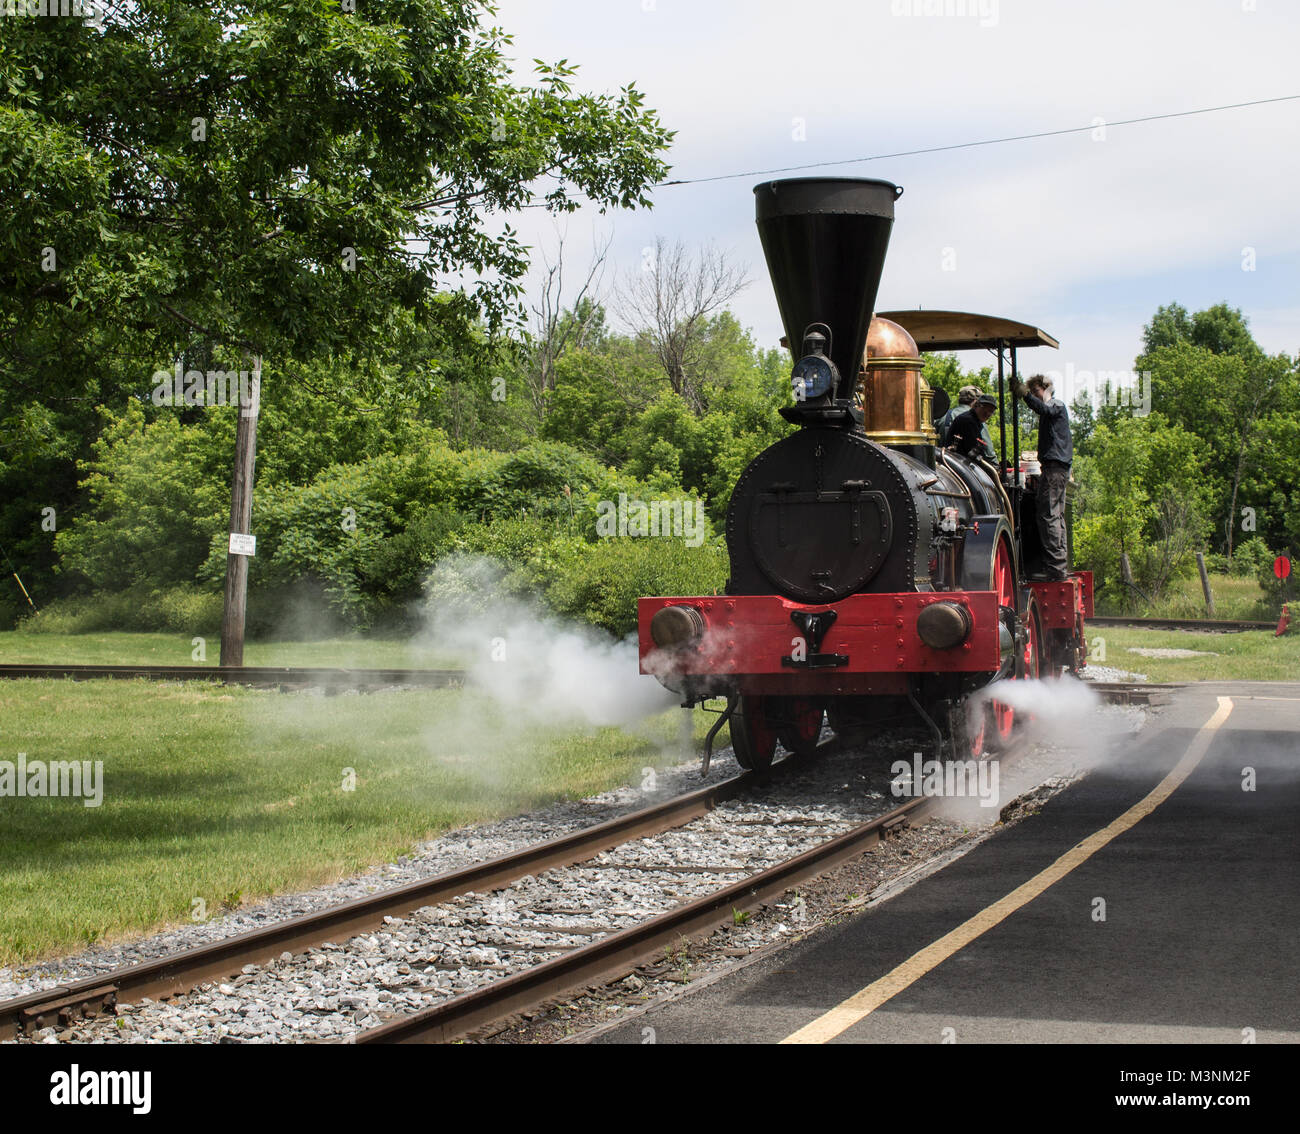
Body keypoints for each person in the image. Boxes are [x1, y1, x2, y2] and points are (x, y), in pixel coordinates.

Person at [1012, 373, 1072, 580]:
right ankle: (1057, 566)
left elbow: (1043, 407)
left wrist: (1025, 396)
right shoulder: (1053, 410)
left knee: (1048, 515)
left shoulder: (1055, 405)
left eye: (1037, 392)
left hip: (1054, 469)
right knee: (1055, 515)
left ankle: (1055, 568)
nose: (1036, 397)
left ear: (1046, 389)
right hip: (1055, 469)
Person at [946, 394, 998, 461]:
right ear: (976, 405)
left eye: (991, 411)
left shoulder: (975, 421)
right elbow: (972, 449)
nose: (987, 413)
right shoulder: (968, 421)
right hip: (958, 460)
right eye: (984, 408)